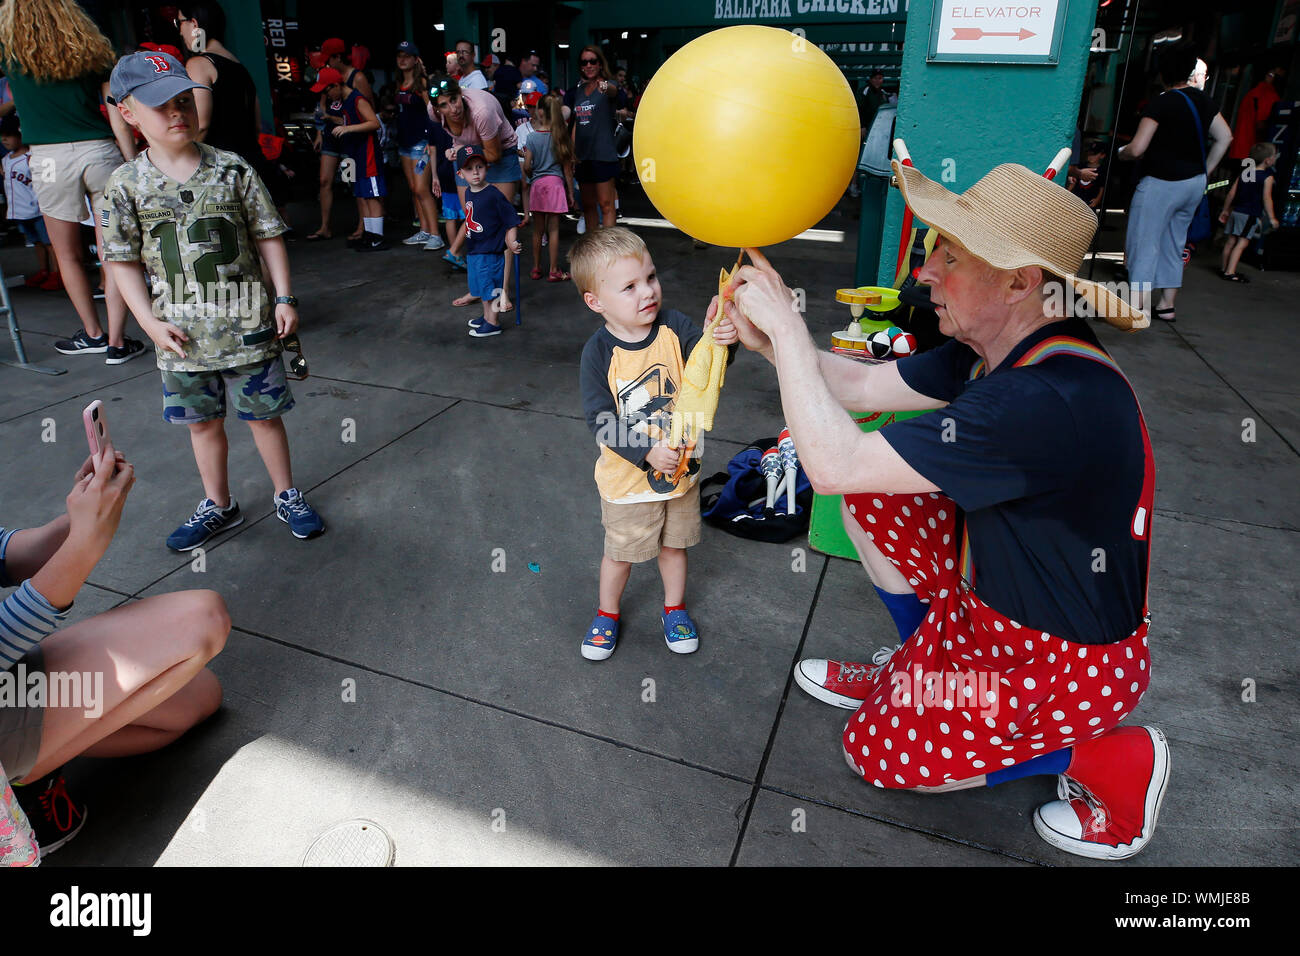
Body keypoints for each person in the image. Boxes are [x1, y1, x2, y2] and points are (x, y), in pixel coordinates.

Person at [720, 157, 1167, 860]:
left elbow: (833, 467)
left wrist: (782, 320)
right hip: (1001, 602)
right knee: (883, 483)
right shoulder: (1004, 347)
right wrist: (779, 344)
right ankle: (915, 665)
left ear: (1019, 282)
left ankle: (1109, 760)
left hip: (1058, 661)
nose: (926, 274)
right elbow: (863, 389)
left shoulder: (1038, 399)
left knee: (880, 757)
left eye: (949, 257)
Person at [98, 51, 325, 550]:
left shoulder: (232, 169)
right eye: (162, 106)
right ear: (128, 113)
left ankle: (286, 493)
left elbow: (268, 235)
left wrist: (283, 296)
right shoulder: (125, 186)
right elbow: (122, 263)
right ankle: (218, 503)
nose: (178, 112)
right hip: (180, 336)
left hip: (247, 323)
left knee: (265, 417)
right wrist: (149, 324)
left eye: (185, 100)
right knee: (202, 425)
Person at [1, 443, 229, 862]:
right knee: (202, 619)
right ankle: (18, 788)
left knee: (197, 700)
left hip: (11, 682)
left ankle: (27, 769)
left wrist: (81, 517)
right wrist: (84, 545)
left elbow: (7, 555)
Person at [573, 227, 739, 661]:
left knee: (674, 546)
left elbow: (703, 364)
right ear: (596, 302)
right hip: (627, 485)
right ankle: (607, 613)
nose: (647, 291)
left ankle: (674, 608)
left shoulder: (674, 326)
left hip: (682, 475)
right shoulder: (599, 353)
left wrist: (721, 340)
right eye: (629, 287)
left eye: (650, 277)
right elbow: (600, 420)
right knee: (621, 554)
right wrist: (646, 451)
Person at [0, 0, 145, 364]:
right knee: (114, 251)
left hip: (48, 159)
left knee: (66, 254)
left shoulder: (12, 54)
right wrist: (132, 164)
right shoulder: (93, 50)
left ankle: (92, 335)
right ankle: (116, 342)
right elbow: (118, 117)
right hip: (99, 153)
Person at [1117, 44, 1230, 322]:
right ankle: (1167, 305)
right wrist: (1205, 172)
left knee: (1144, 243)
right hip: (1193, 184)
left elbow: (1138, 148)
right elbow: (1225, 137)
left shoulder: (1162, 102)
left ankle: (1137, 307)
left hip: (1160, 183)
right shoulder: (1204, 101)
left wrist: (1121, 153)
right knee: (1174, 243)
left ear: (1161, 73)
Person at [431, 77, 521, 310]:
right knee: (473, 223)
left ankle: (503, 291)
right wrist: (459, 153)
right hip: (465, 159)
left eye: (454, 99)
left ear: (460, 93)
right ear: (436, 108)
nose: (453, 108)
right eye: (445, 105)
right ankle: (478, 288)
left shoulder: (481, 111)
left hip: (498, 157)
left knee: (501, 227)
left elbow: (494, 154)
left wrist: (461, 150)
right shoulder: (434, 112)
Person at [313, 66, 388, 251]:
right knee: (362, 193)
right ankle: (370, 236)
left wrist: (347, 129)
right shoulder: (346, 101)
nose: (327, 95)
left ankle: (376, 238)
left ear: (335, 85)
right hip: (356, 154)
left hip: (368, 154)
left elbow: (374, 123)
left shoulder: (357, 99)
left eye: (327, 90)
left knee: (373, 197)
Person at [456, 145, 521, 339]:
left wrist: (510, 241)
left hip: (490, 252)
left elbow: (511, 220)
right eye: (469, 169)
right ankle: (486, 316)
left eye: (479, 167)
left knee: (491, 288)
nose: (475, 172)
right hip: (475, 250)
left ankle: (493, 322)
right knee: (480, 287)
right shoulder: (468, 192)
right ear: (461, 174)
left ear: (487, 168)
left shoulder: (493, 194)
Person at [392, 41, 444, 250]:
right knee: (414, 189)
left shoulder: (422, 83)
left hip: (420, 144)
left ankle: (435, 235)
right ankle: (424, 230)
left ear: (415, 59)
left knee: (423, 189)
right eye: (399, 55)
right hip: (404, 143)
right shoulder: (399, 83)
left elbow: (433, 114)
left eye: (407, 55)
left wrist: (430, 142)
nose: (403, 59)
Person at [1, 115, 61, 291]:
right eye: (2, 135)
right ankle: (44, 271)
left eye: (9, 135)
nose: (4, 139)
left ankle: (57, 274)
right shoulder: (5, 160)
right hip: (19, 210)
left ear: (20, 135)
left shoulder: (33, 156)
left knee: (50, 243)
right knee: (36, 242)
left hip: (39, 209)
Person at [565, 46, 621, 233]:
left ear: (599, 63)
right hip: (583, 156)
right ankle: (593, 248)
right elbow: (575, 124)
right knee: (588, 206)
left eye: (592, 61)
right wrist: (572, 152)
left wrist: (604, 86)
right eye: (584, 62)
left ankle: (608, 249)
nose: (588, 65)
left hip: (603, 154)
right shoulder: (578, 91)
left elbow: (613, 91)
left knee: (606, 204)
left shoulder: (607, 85)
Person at [522, 93, 575, 281]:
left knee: (538, 231)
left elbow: (527, 166)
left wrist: (532, 177)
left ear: (540, 112)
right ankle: (554, 270)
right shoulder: (561, 137)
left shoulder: (531, 138)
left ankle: (536, 268)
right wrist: (570, 193)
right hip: (556, 186)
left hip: (537, 185)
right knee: (553, 230)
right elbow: (567, 170)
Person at [1218, 142, 1279, 282]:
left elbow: (1231, 194)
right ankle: (1230, 272)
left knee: (1231, 241)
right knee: (1242, 243)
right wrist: (1272, 218)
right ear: (1268, 160)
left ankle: (1224, 268)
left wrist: (1225, 210)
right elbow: (1267, 199)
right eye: (1274, 156)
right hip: (1249, 214)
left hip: (1236, 211)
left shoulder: (1245, 173)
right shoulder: (1267, 177)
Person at [1228, 65, 1285, 165]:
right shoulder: (1267, 94)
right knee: (1250, 179)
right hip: (1253, 152)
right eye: (1272, 74)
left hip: (1241, 150)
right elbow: (1261, 124)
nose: (1276, 76)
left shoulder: (1253, 93)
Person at [1070, 140, 1107, 213]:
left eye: (1094, 154)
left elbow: (1102, 187)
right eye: (1089, 154)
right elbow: (1073, 182)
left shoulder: (1102, 170)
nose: (1090, 157)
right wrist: (1068, 192)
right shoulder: (1081, 166)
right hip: (1076, 198)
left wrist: (1097, 199)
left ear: (1102, 155)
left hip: (1090, 201)